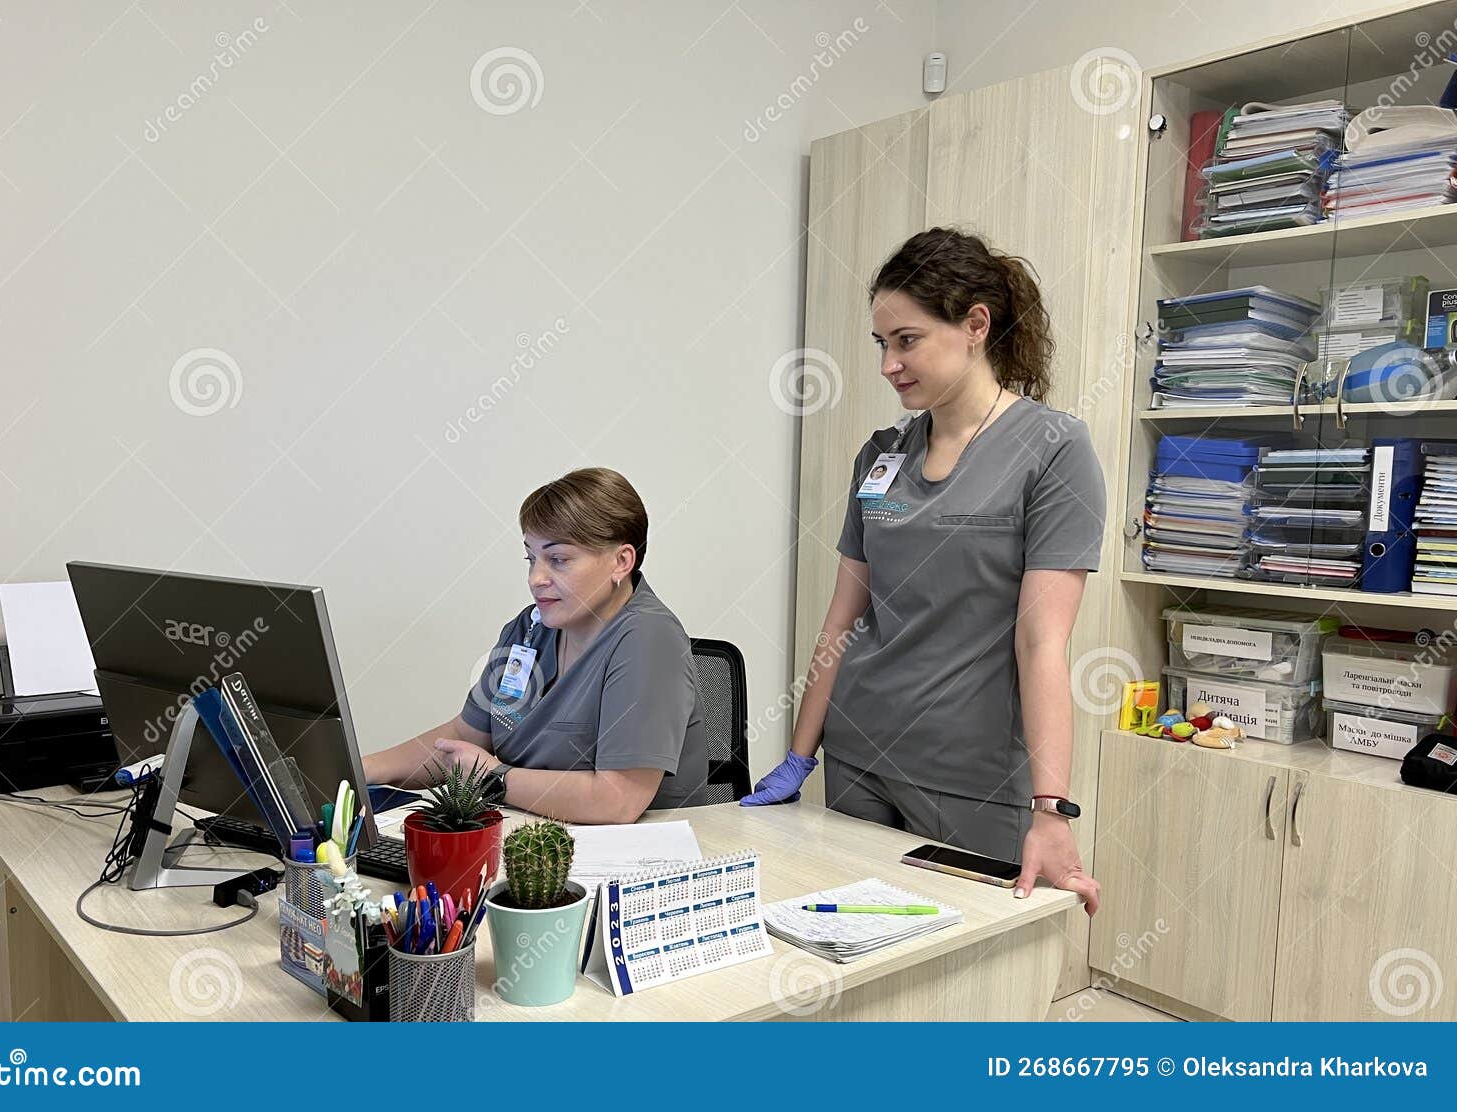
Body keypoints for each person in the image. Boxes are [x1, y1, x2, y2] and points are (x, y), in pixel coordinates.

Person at [742, 227, 1105, 915]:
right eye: (881, 343)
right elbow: (843, 618)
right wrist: (799, 756)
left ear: (975, 326)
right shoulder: (882, 456)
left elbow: (1041, 643)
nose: (889, 364)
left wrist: (1051, 809)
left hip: (972, 779)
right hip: (858, 758)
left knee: (966, 968)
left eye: (906, 340)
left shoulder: (1053, 449)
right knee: (852, 955)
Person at [362, 467, 709, 824]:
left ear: (621, 562)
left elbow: (616, 801)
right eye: (532, 558)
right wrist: (362, 770)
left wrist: (493, 778)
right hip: (534, 834)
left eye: (558, 560)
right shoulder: (531, 628)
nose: (536, 578)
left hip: (635, 850)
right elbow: (466, 736)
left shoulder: (649, 639)